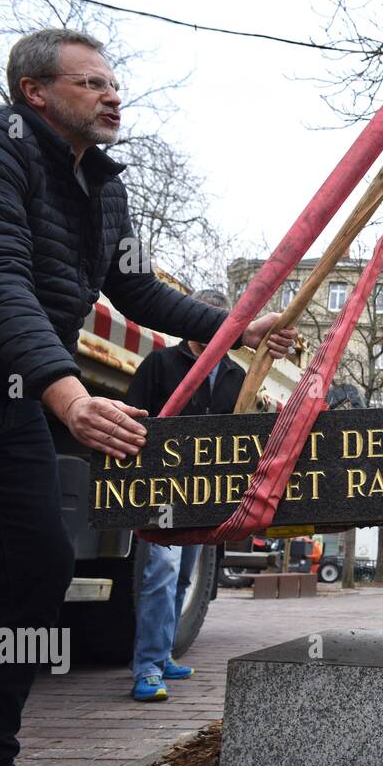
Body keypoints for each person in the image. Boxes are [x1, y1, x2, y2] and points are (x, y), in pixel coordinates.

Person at [0, 28, 295, 766]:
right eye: (91, 84)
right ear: (35, 92)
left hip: (13, 401)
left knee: (43, 567)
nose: (113, 96)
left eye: (115, 84)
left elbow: (139, 291)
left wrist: (236, 327)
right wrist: (69, 393)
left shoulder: (106, 186)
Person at [124, 289, 243, 703]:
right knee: (162, 572)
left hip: (206, 495)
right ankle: (148, 668)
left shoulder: (234, 374)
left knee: (185, 575)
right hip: (162, 492)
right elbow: (134, 414)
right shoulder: (160, 363)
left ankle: (166, 651)